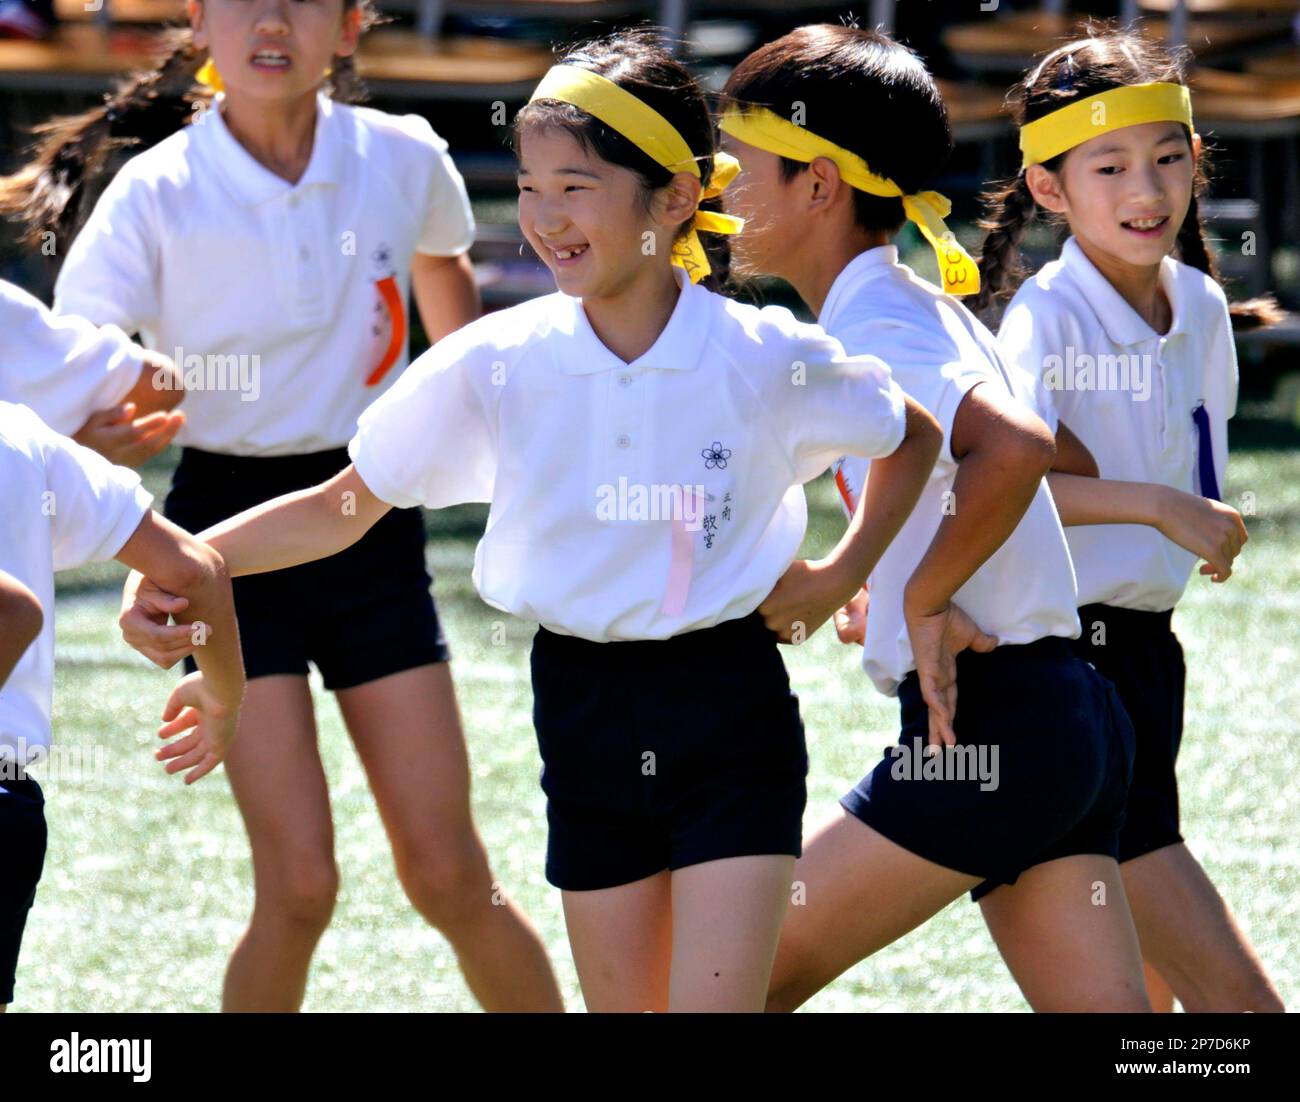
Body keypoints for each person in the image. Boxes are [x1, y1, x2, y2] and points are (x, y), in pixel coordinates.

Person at [8, 0, 561, 1011]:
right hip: (222, 538)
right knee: (299, 887)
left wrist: (498, 444)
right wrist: (105, 434)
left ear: (350, 26)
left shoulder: (403, 157)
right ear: (199, 21)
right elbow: (74, 381)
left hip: (369, 514)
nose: (273, 20)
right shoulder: (155, 192)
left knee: (450, 874)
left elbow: (449, 298)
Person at [976, 30, 1284, 1013]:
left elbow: (1194, 457)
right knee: (1239, 1013)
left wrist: (1191, 517)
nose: (1143, 188)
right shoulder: (1045, 319)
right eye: (1108, 166)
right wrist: (1157, 505)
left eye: (1165, 160)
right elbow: (999, 486)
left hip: (1146, 659)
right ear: (1050, 188)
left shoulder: (1196, 302)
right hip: (1057, 667)